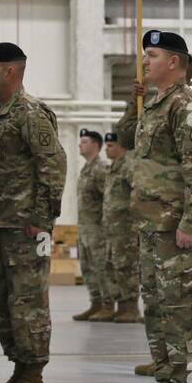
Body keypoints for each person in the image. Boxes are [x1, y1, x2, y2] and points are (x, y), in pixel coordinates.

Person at [120, 30, 192, 383]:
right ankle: (167, 380)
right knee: (158, 308)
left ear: (173, 62)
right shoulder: (156, 105)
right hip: (153, 227)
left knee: (185, 311)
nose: (146, 61)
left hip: (178, 229)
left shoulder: (186, 106)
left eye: (154, 55)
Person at [0, 42, 66, 383]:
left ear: (10, 71)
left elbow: (53, 165)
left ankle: (33, 376)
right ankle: (19, 371)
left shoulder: (29, 113)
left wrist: (43, 218)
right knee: (3, 301)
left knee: (28, 301)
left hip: (26, 225)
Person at [72, 128, 113, 322]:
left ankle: (107, 304)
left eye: (85, 141)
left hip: (98, 229)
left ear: (96, 145)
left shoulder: (101, 168)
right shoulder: (86, 169)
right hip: (86, 228)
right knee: (88, 268)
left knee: (101, 267)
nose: (80, 144)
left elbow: (109, 199)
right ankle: (95, 303)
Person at [102, 130, 143, 324]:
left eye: (110, 145)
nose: (107, 149)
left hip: (126, 228)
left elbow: (138, 192)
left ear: (121, 147)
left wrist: (132, 217)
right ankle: (121, 305)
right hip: (113, 229)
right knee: (114, 267)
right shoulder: (113, 167)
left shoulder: (128, 166)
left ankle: (131, 307)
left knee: (127, 267)